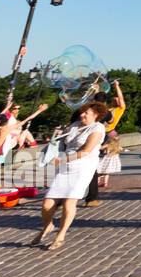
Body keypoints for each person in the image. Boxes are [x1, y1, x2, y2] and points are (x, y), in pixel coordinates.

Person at [32, 102, 108, 251]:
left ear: (96, 114)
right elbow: (62, 143)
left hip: (83, 167)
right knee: (47, 204)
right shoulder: (74, 125)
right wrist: (55, 138)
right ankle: (48, 226)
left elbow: (86, 151)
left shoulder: (98, 128)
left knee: (69, 202)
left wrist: (62, 159)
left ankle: (61, 235)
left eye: (86, 113)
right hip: (66, 166)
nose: (82, 115)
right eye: (82, 112)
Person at [84, 78, 125, 207]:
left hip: (107, 134)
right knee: (97, 158)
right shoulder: (106, 109)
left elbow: (120, 99)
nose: (116, 99)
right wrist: (97, 90)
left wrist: (117, 86)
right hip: (98, 133)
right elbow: (98, 101)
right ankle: (95, 186)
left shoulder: (119, 109)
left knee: (102, 157)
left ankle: (99, 180)